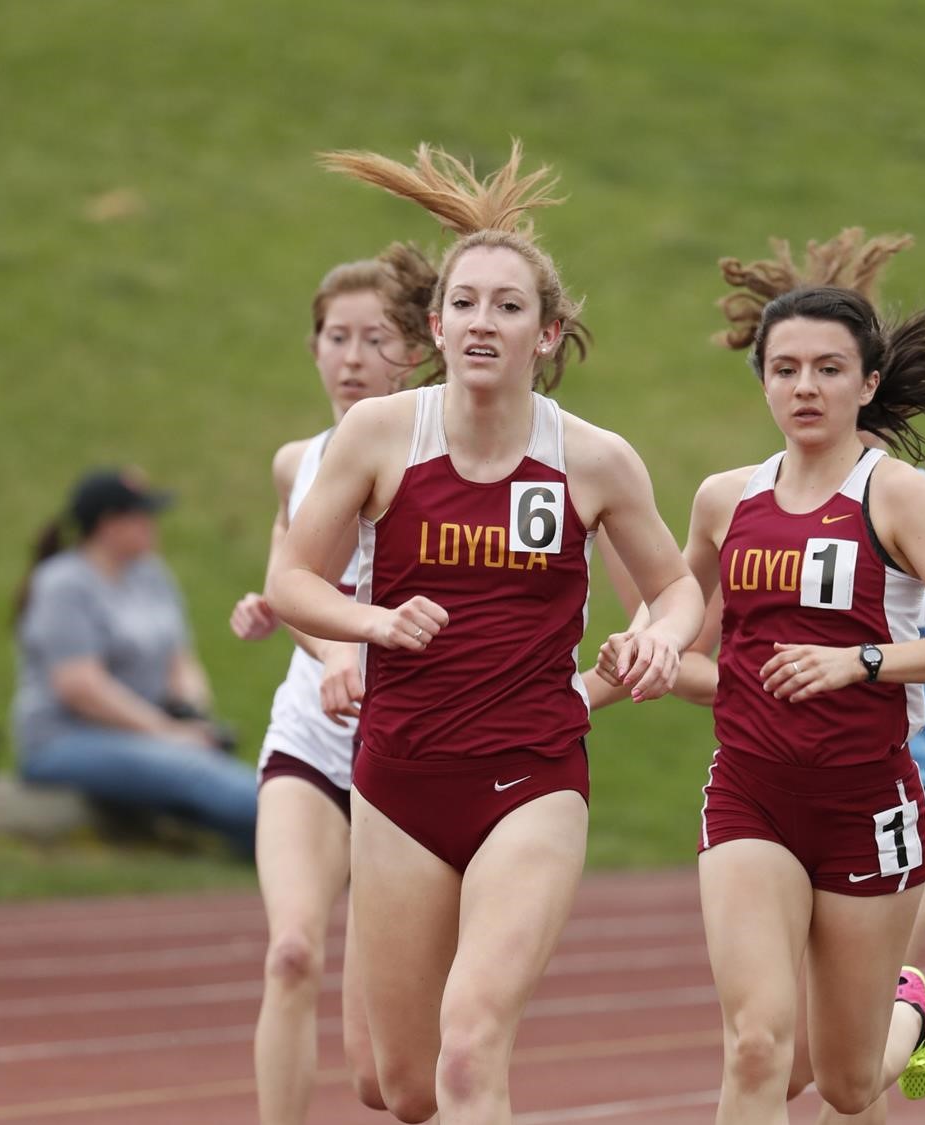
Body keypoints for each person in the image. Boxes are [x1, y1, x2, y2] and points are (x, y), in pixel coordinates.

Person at [265, 141, 704, 1124]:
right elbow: (292, 579)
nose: (481, 322)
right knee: (400, 1087)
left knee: (468, 1050)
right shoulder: (379, 437)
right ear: (435, 324)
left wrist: (657, 640)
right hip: (399, 776)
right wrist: (373, 620)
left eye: (507, 307)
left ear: (546, 334)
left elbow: (676, 589)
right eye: (464, 303)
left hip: (532, 776)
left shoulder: (592, 459)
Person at [596, 230, 925, 1123]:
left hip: (867, 805)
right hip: (750, 795)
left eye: (828, 369)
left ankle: (909, 1016)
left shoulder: (900, 494)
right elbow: (697, 650)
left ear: (867, 384)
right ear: (762, 381)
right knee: (756, 1046)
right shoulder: (724, 498)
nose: (804, 387)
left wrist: (862, 662)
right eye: (785, 370)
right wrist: (644, 655)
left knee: (844, 1083)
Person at [229, 248, 434, 1124]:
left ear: (416, 349)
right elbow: (293, 580)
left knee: (388, 1074)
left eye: (373, 338)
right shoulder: (296, 461)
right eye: (334, 337)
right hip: (313, 735)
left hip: (412, 750)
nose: (351, 358)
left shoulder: (438, 459)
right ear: (313, 348)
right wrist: (291, 623)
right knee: (290, 953)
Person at [11, 468, 257, 857]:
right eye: (142, 515)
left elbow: (180, 660)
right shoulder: (63, 584)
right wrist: (165, 733)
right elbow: (80, 688)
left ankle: (292, 849)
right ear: (108, 525)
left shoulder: (150, 575)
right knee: (192, 769)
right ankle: (308, 833)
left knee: (203, 762)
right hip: (66, 739)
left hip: (143, 733)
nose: (152, 525)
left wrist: (191, 713)